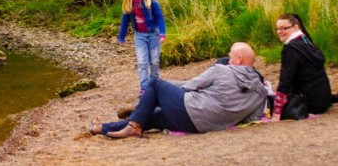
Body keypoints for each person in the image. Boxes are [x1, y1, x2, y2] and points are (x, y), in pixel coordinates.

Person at [90, 42, 268, 138]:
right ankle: (102, 128)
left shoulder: (222, 70)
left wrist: (166, 94)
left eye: (229, 56)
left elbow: (191, 85)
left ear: (238, 59)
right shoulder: (261, 93)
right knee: (151, 116)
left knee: (154, 84)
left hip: (191, 111)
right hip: (204, 127)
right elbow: (250, 119)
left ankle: (135, 122)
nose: (227, 59)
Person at [273, 13, 338, 119]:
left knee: (269, 100)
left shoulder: (291, 49)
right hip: (323, 100)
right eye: (277, 29)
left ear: (296, 27)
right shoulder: (306, 40)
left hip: (308, 104)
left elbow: (285, 80)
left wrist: (277, 112)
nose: (279, 32)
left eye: (284, 28)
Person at [117, 0, 166, 90]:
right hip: (139, 36)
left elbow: (159, 16)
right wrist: (121, 37)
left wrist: (162, 33)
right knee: (142, 62)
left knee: (154, 61)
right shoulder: (129, 3)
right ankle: (144, 88)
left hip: (154, 34)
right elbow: (125, 21)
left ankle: (154, 86)